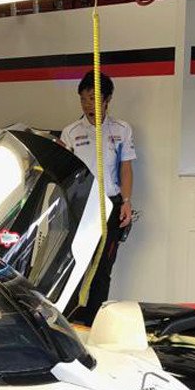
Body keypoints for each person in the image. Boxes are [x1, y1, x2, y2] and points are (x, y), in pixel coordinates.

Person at [58, 71, 136, 325]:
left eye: (93, 98)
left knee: (103, 269)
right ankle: (69, 319)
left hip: (111, 204)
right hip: (81, 207)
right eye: (83, 100)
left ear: (108, 99)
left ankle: (93, 321)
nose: (88, 105)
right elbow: (64, 174)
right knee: (75, 265)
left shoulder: (122, 130)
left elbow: (126, 168)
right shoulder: (70, 132)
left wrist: (126, 201)